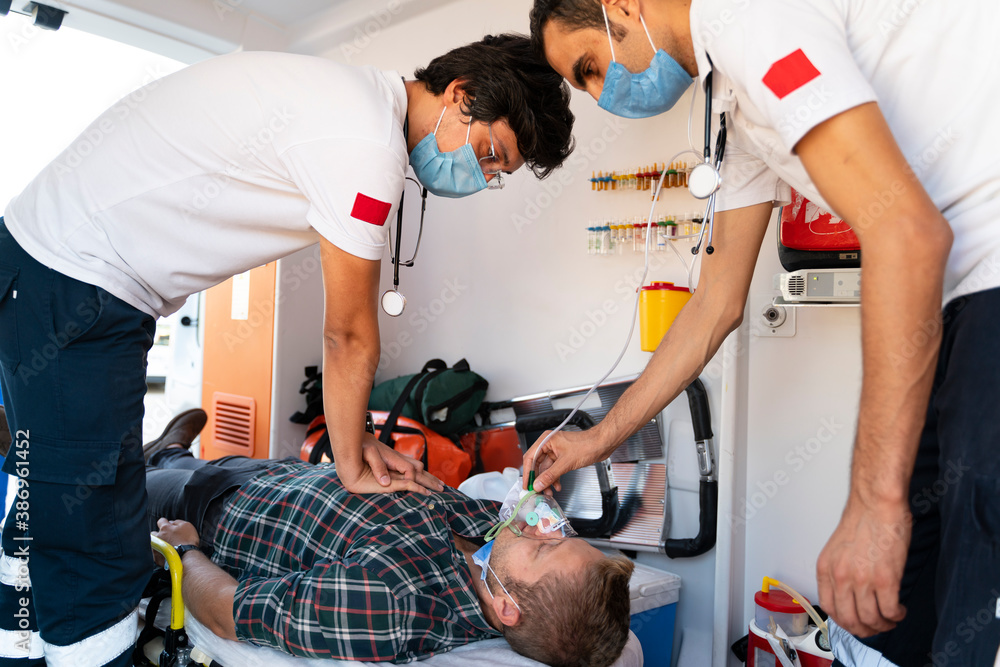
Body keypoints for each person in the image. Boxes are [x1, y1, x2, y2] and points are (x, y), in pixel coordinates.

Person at [0, 34, 574, 666]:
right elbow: (348, 333)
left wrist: (359, 444)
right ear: (460, 96)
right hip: (79, 282)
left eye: (498, 175)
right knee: (98, 541)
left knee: (49, 495)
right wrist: (350, 466)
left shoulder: (353, 107)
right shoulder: (365, 143)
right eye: (492, 154)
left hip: (64, 273)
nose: (484, 175)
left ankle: (19, 646)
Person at [524, 0, 1000, 664]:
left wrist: (872, 504)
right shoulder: (733, 102)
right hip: (958, 302)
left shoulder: (745, 17)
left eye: (590, 68)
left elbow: (907, 233)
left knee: (967, 605)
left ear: (621, 7)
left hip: (987, 288)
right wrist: (599, 438)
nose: (603, 98)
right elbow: (714, 304)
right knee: (887, 619)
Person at [141, 413, 634, 667]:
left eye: (546, 546)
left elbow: (228, 611)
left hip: (215, 512)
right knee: (181, 461)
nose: (539, 526)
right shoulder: (491, 542)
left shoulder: (389, 603)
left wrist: (186, 550)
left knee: (115, 478)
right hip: (275, 475)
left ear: (509, 610)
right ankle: (168, 451)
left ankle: (157, 460)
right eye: (560, 530)